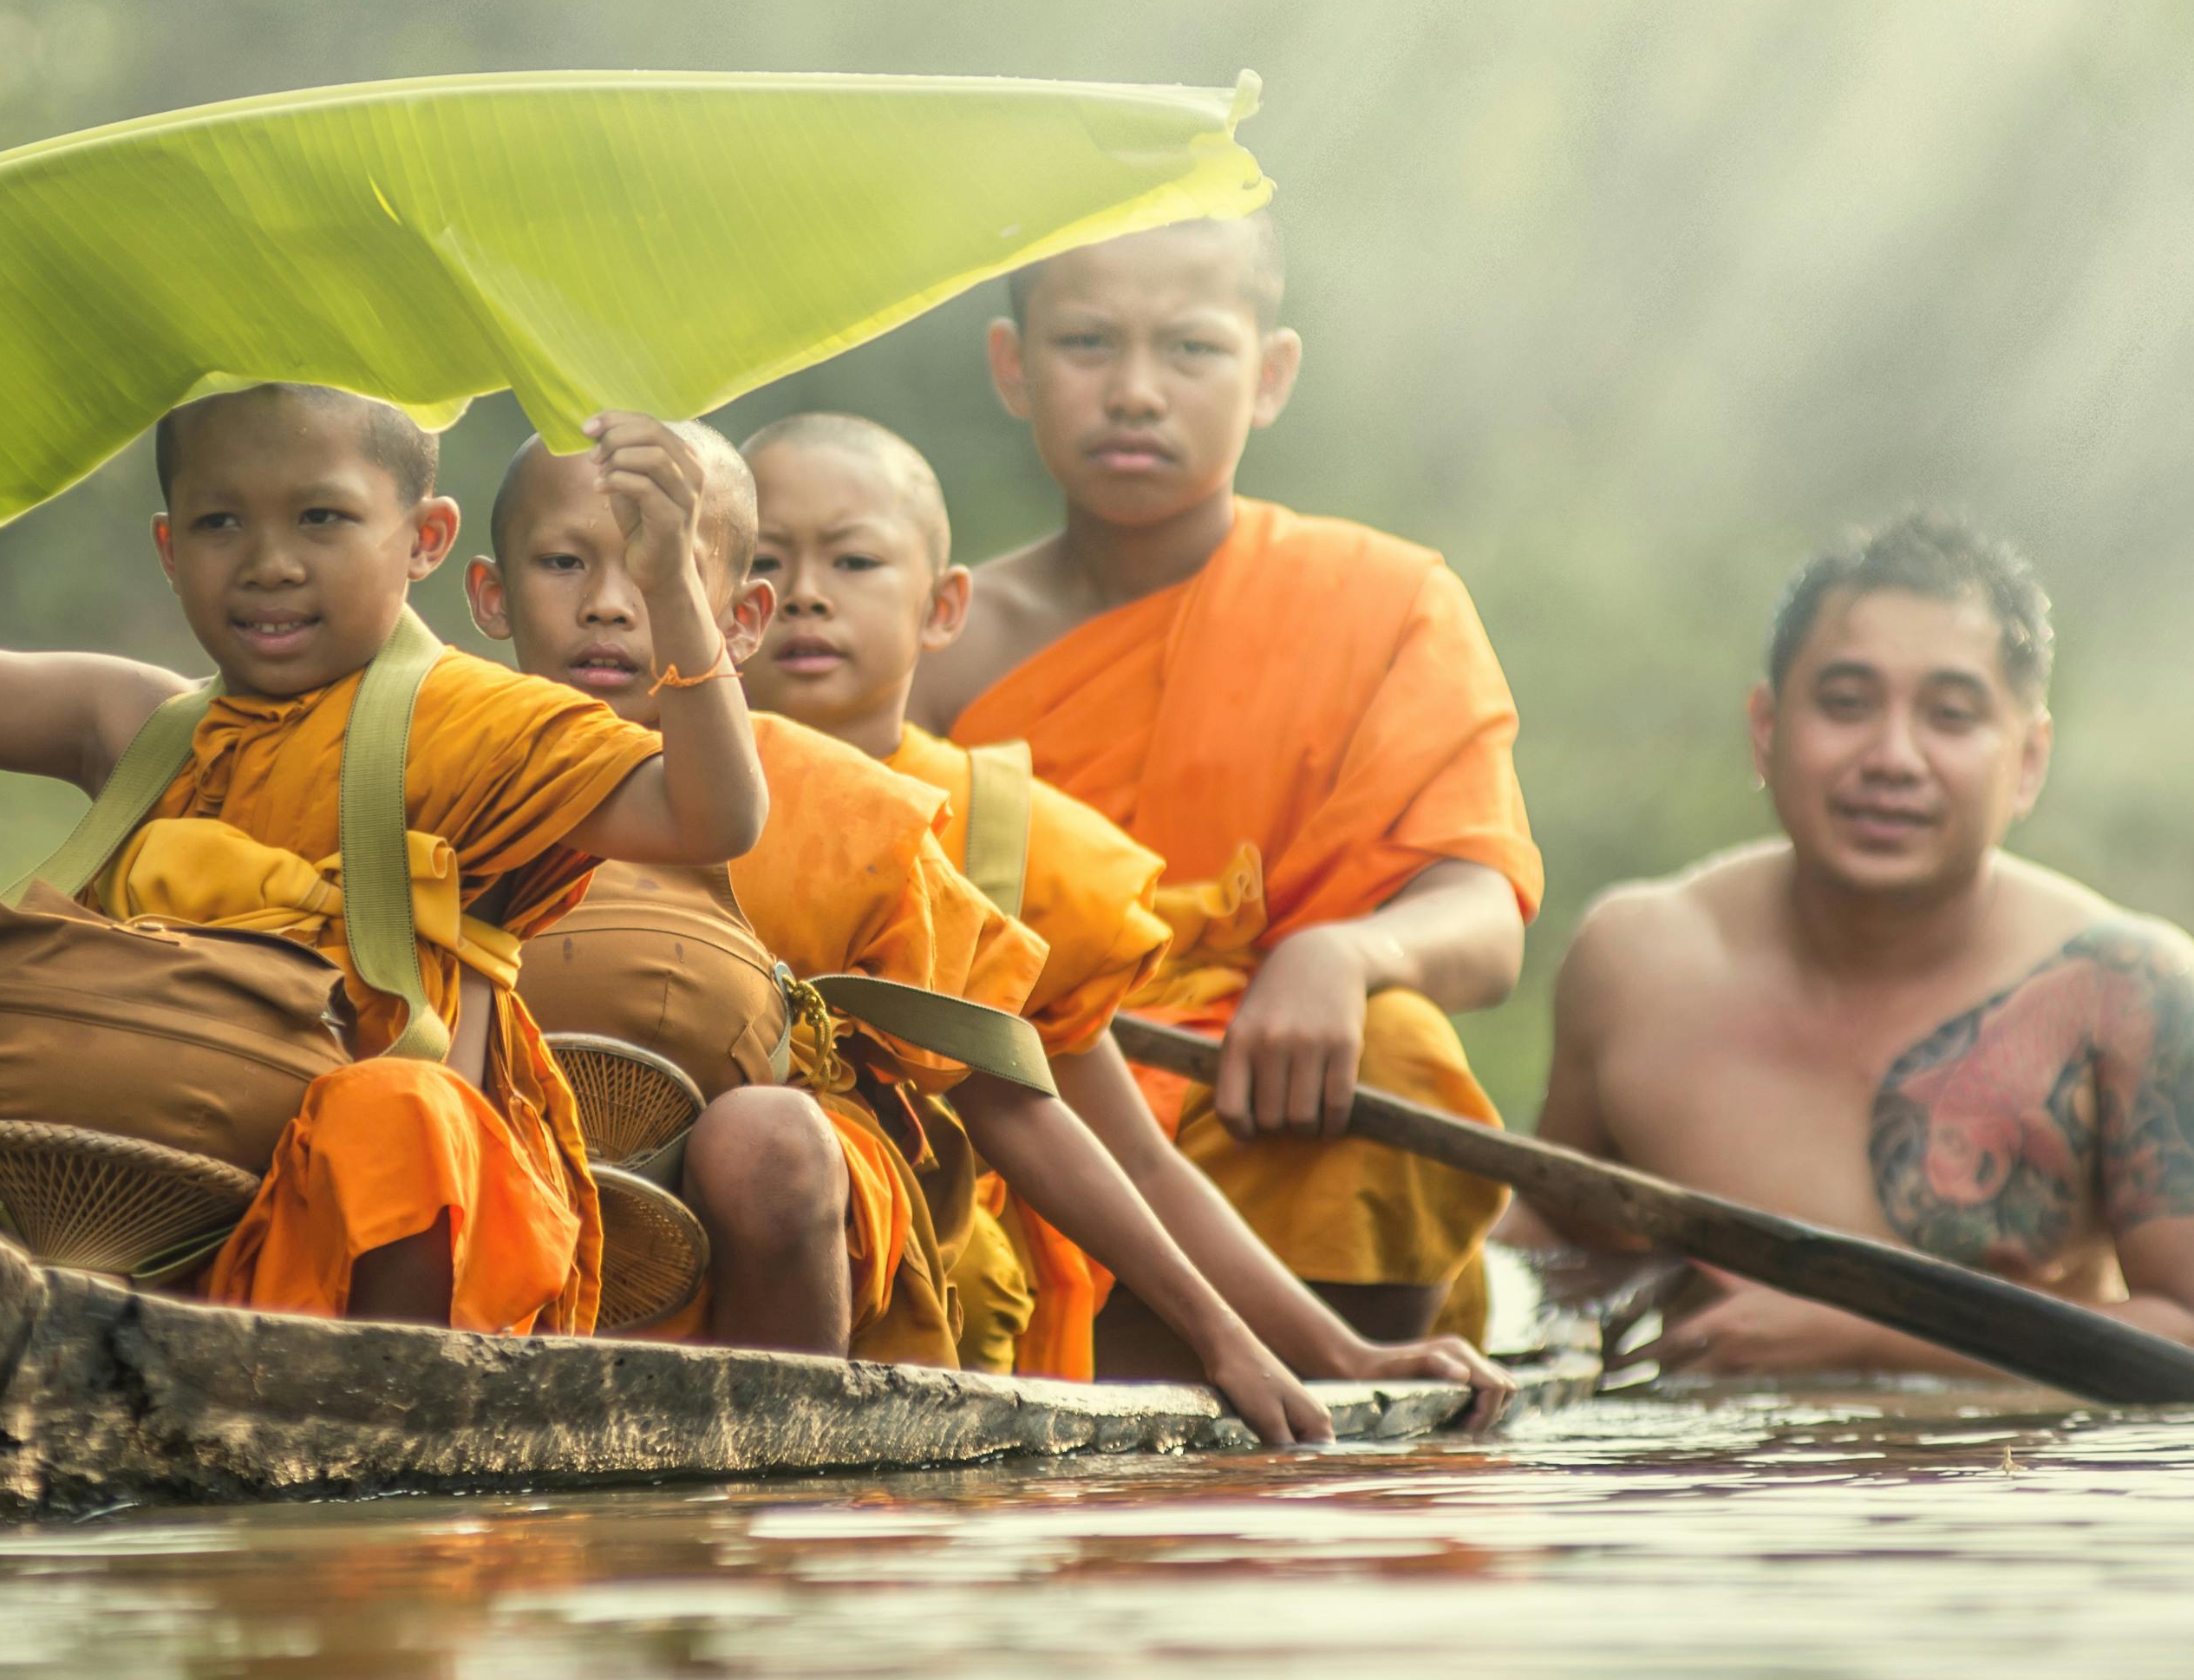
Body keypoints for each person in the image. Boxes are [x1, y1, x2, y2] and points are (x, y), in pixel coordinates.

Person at [0, 301, 765, 1333]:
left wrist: (670, 589)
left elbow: (712, 815)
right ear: (171, 551)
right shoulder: (133, 726)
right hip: (110, 1217)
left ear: (426, 541)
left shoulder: (476, 722)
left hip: (363, 1267)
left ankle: (382, 1444)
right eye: (223, 523)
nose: (268, 563)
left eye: (322, 520)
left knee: (401, 1111)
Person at [474, 428, 1342, 1443]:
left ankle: (779, 1470)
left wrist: (1222, 1333)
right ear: (490, 596)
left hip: (775, 1243)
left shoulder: (833, 810)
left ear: (737, 619)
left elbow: (1021, 1105)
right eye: (564, 562)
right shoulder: (443, 768)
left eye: (661, 567)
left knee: (768, 1136)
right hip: (514, 1226)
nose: (609, 604)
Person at [741, 414, 1505, 1420]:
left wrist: (1326, 1348)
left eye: (853, 558)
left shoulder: (1003, 832)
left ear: (944, 607)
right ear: (717, 599)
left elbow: (1126, 1149)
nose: (804, 591)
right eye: (762, 561)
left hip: (961, 1280)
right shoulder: (651, 800)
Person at [908, 215, 1539, 1357]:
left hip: (1273, 1093)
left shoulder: (1385, 604)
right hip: (1036, 1117)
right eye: (1089, 344)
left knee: (1395, 1047)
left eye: (1192, 350)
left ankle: (1339, 1382)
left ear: (1271, 375)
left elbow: (1484, 916)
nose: (1137, 392)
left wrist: (1344, 955)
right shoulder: (935, 649)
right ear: (1014, 366)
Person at [1531, 514, 2194, 1376]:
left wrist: (1865, 1333)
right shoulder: (1636, 962)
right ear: (1766, 728)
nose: (1892, 756)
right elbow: (1556, 1242)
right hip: (1718, 1486)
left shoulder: (2131, 990)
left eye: (1951, 715)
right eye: (1846, 704)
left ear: (2029, 757)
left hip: (2014, 1487)